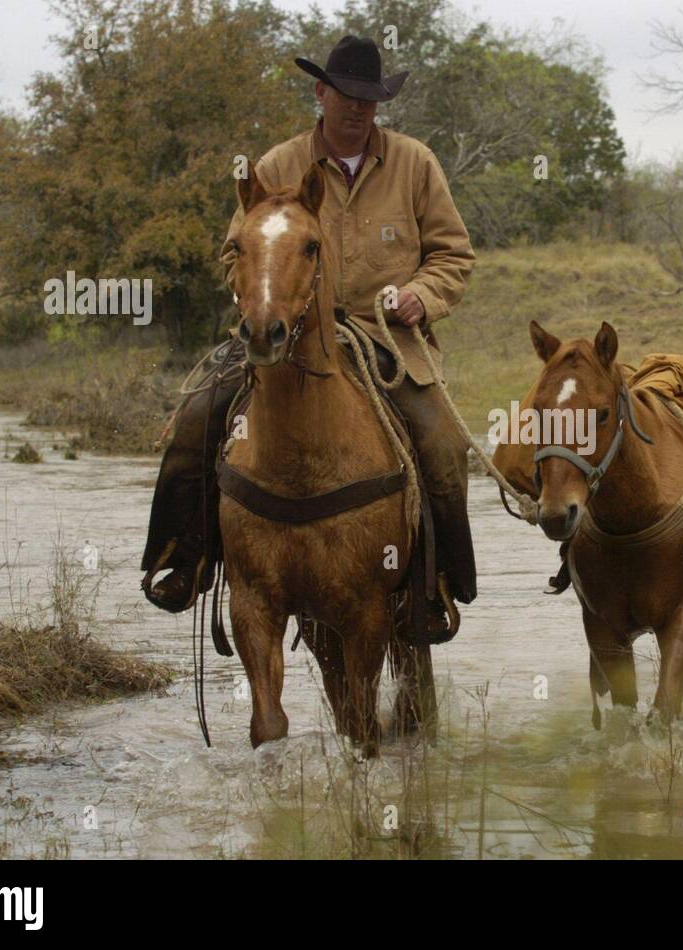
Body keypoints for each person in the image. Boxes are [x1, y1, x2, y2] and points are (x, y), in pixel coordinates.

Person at [140, 35, 477, 637]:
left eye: (369, 100)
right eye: (346, 96)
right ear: (321, 92)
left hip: (386, 339)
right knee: (196, 419)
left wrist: (420, 296)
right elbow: (234, 251)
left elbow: (453, 254)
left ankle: (439, 583)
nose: (357, 109)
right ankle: (181, 561)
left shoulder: (415, 163)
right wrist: (265, 300)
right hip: (282, 335)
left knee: (444, 443)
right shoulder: (276, 166)